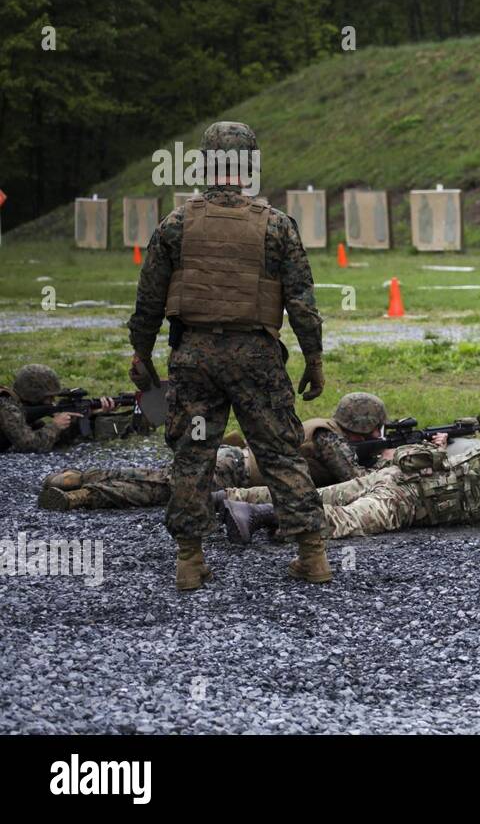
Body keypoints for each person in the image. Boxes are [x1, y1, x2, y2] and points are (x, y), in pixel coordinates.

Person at [127, 120, 330, 591]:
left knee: (193, 456)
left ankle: (189, 562)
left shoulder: (176, 224)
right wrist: (314, 360)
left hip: (194, 355)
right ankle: (313, 556)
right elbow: (301, 301)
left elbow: (149, 298)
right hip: (256, 356)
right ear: (250, 166)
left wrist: (141, 352)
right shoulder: (276, 225)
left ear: (205, 163)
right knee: (280, 452)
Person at [218, 398, 480, 542]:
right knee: (342, 521)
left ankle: (225, 498)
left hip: (398, 475)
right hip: (407, 497)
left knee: (319, 494)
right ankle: (259, 514)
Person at [37, 392, 391, 511]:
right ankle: (83, 495)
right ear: (366, 425)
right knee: (161, 490)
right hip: (231, 472)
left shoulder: (323, 428)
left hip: (230, 459)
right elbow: (358, 483)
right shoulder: (333, 442)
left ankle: (82, 477)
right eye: (377, 428)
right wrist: (386, 464)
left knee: (160, 478)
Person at [0, 364, 120, 453]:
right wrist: (55, 426)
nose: (52, 401)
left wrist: (90, 414)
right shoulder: (7, 407)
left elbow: (51, 440)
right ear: (33, 394)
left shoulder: (20, 407)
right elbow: (30, 445)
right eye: (49, 397)